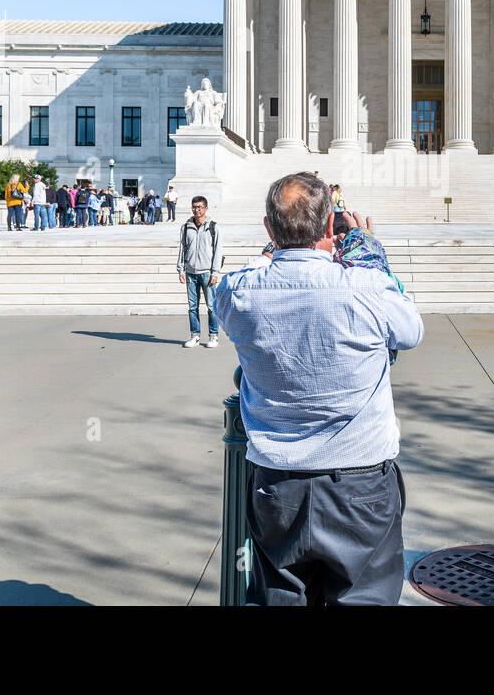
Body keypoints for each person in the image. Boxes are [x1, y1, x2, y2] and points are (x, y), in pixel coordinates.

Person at [214, 172, 423, 605]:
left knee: (282, 598)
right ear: (330, 228)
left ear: (268, 230)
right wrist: (367, 250)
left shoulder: (237, 293)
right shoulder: (366, 287)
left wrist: (279, 246)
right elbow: (410, 331)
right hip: (360, 486)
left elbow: (252, 271)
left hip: (277, 484)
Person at [177, 196, 223, 347]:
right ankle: (195, 335)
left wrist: (215, 272)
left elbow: (218, 251)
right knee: (192, 307)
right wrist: (181, 269)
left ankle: (213, 336)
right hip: (190, 272)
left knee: (211, 307)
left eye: (200, 207)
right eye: (194, 207)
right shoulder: (185, 227)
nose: (197, 210)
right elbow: (182, 249)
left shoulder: (214, 227)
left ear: (206, 208)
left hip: (207, 272)